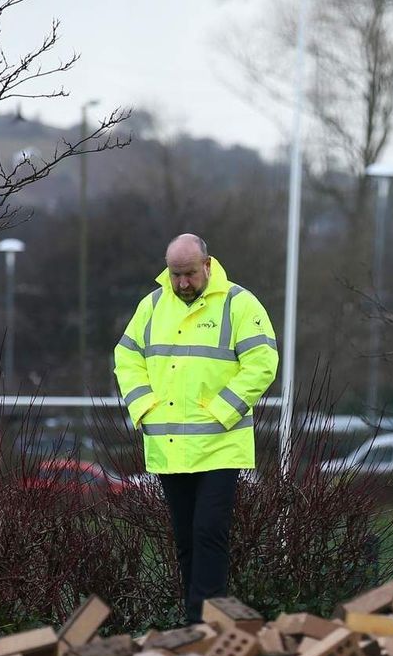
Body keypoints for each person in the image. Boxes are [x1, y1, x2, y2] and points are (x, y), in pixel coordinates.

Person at [114, 233, 278, 625]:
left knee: (209, 533)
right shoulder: (152, 306)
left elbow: (262, 362)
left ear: (207, 265)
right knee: (186, 540)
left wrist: (222, 411)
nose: (182, 283)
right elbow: (126, 356)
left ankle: (206, 624)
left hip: (220, 445)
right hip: (169, 446)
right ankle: (195, 621)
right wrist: (144, 408)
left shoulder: (239, 303)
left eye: (189, 274)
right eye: (175, 275)